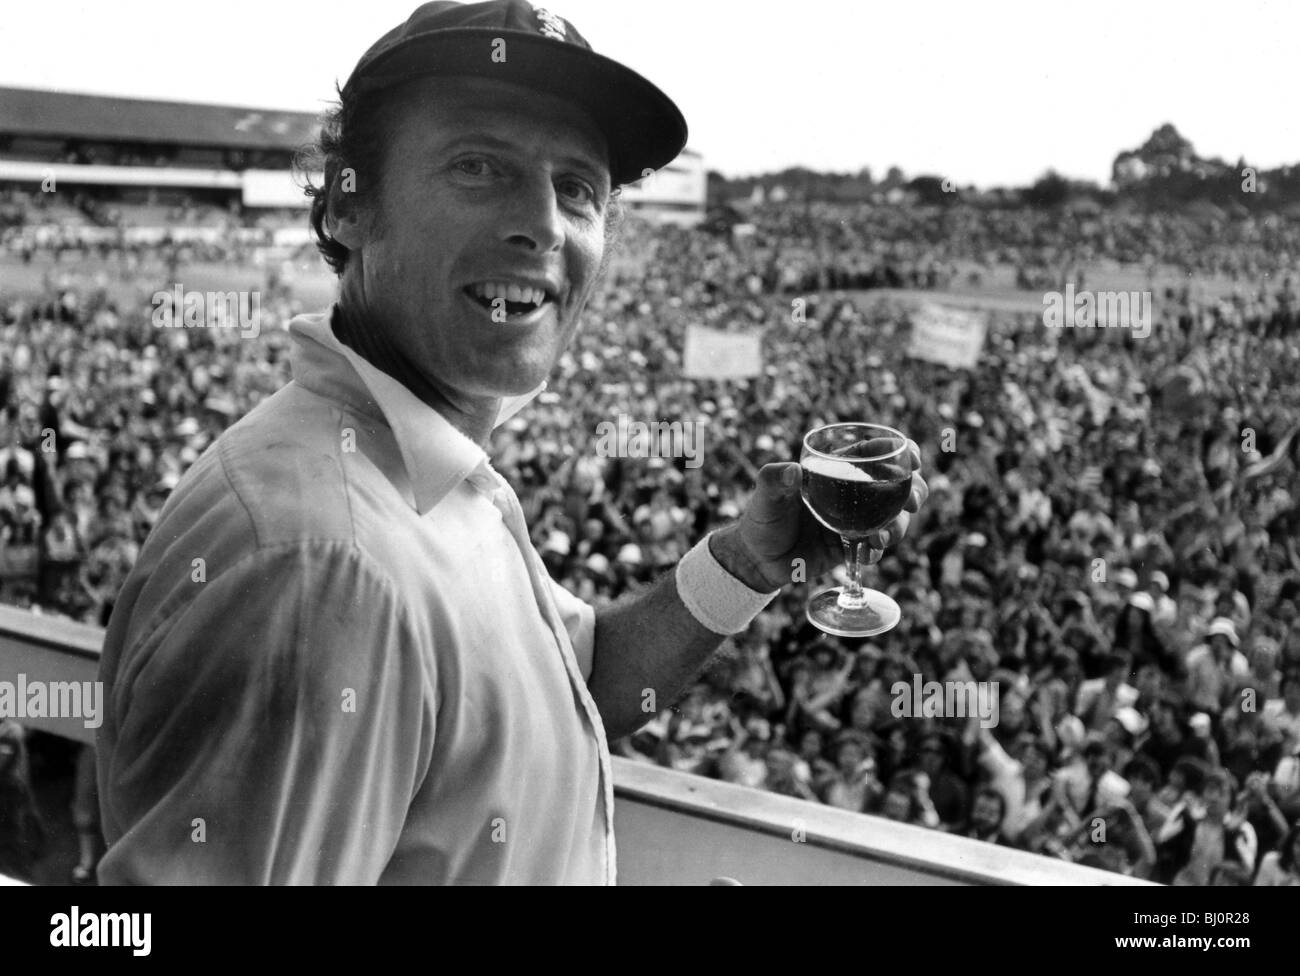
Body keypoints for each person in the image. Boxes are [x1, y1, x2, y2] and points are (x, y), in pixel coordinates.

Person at [92, 0, 929, 885]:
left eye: (578, 188)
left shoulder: (414, 469)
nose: (543, 223)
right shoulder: (322, 565)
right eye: (478, 166)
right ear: (348, 206)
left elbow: (566, 688)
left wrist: (744, 566)